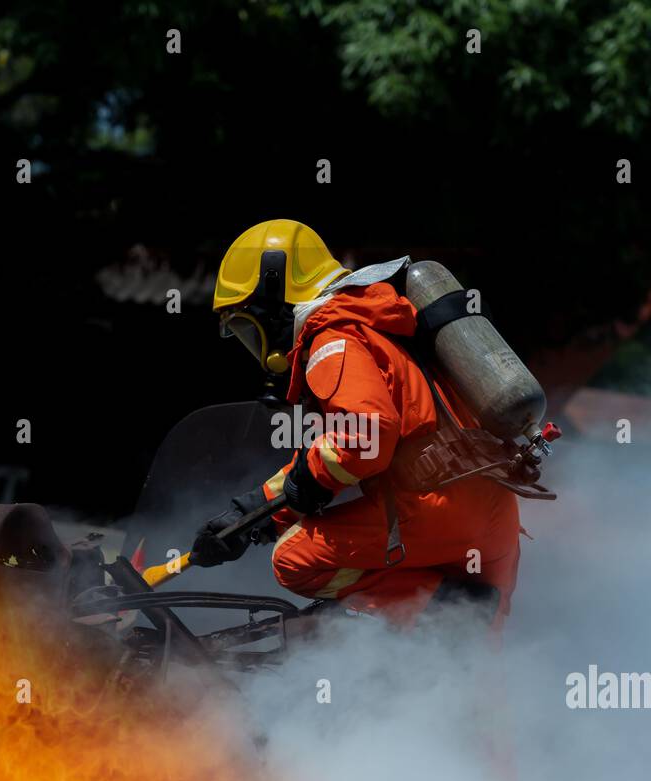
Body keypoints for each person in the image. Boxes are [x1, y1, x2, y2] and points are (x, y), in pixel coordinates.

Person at [189, 219, 522, 633]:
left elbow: (366, 435)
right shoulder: (380, 325)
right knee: (475, 676)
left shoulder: (333, 340)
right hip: (491, 513)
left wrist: (310, 484)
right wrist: (251, 513)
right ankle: (446, 616)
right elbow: (336, 449)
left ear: (274, 299)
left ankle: (406, 609)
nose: (254, 345)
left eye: (246, 326)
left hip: (439, 511)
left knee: (294, 558)